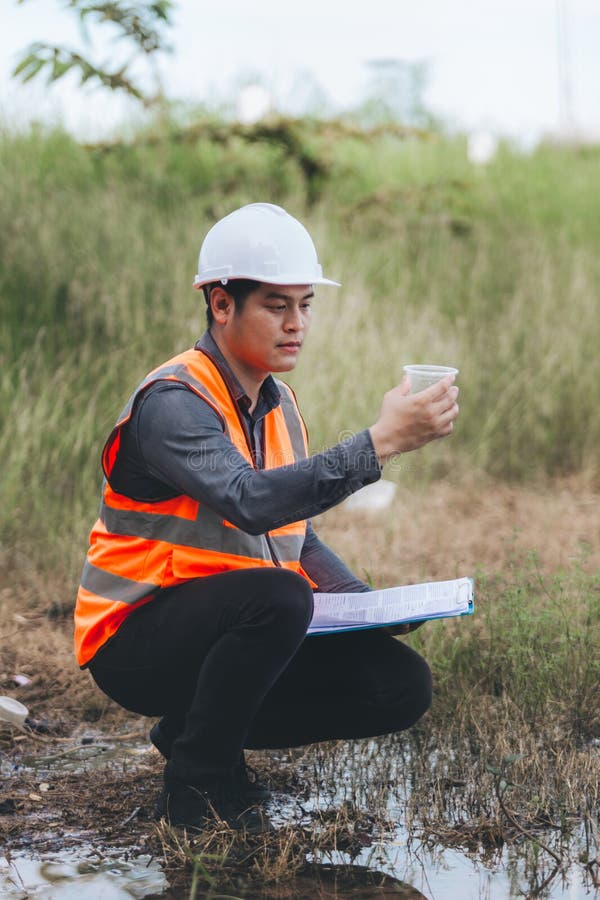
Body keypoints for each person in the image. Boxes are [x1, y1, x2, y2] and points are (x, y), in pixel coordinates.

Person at [73, 202, 459, 833]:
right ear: (221, 304)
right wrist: (379, 443)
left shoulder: (279, 404)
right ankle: (200, 781)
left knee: (400, 684)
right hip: (134, 640)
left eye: (306, 304)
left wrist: (367, 608)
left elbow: (292, 534)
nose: (297, 323)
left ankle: (193, 731)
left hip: (228, 631)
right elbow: (248, 500)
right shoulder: (175, 402)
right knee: (278, 599)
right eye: (277, 305)